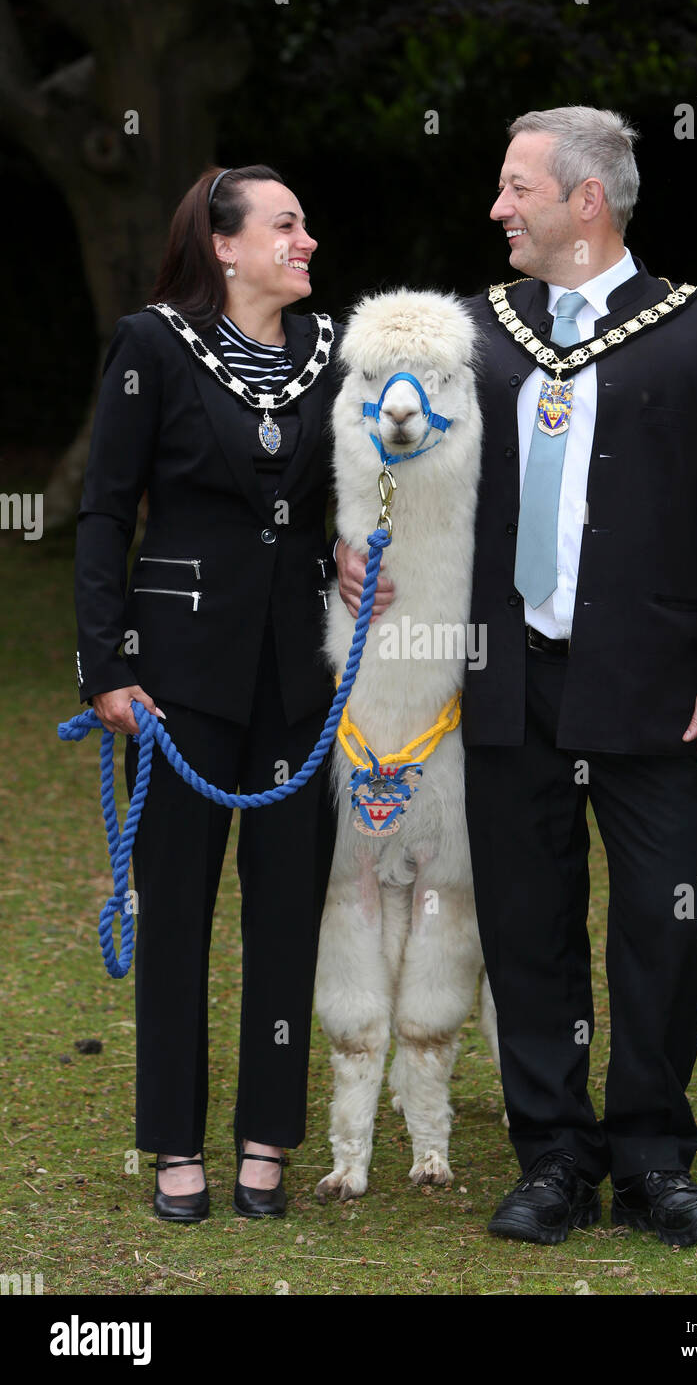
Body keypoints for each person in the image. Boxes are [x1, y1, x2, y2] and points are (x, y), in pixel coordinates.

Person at [336, 106, 697, 1248]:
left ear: (585, 199)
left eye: (514, 187)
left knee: (656, 924)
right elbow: (392, 453)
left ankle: (649, 1156)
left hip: (647, 685)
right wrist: (350, 538)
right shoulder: (475, 338)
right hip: (506, 681)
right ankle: (551, 1156)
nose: (496, 208)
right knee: (529, 928)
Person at [74, 164, 341, 1221]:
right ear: (224, 246)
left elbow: (347, 496)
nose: (306, 240)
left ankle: (266, 1141)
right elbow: (103, 513)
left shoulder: (331, 356)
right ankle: (175, 1146)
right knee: (176, 912)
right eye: (286, 224)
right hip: (175, 681)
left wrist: (360, 556)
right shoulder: (151, 346)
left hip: (297, 679)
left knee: (285, 913)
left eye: (306, 223)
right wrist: (107, 666)